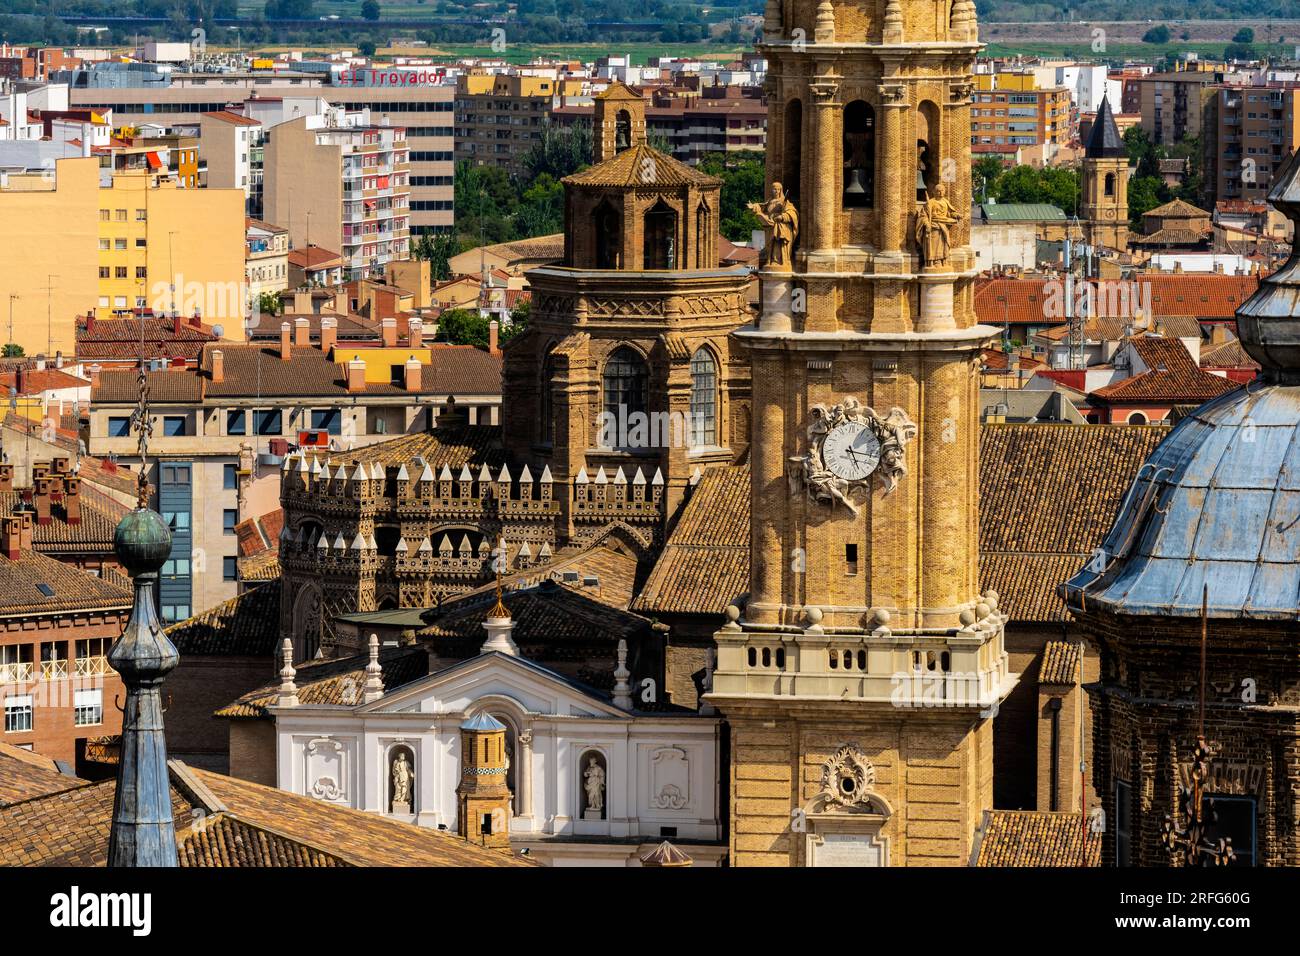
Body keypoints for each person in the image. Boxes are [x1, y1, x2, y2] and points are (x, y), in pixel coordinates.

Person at [748, 181, 799, 270]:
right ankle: (769, 260)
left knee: (778, 244)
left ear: (780, 190)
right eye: (774, 189)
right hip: (769, 226)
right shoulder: (769, 201)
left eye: (777, 189)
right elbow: (763, 208)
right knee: (769, 244)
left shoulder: (784, 201)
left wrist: (782, 217)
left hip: (780, 227)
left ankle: (778, 261)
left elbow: (793, 213)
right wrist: (755, 207)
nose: (776, 191)